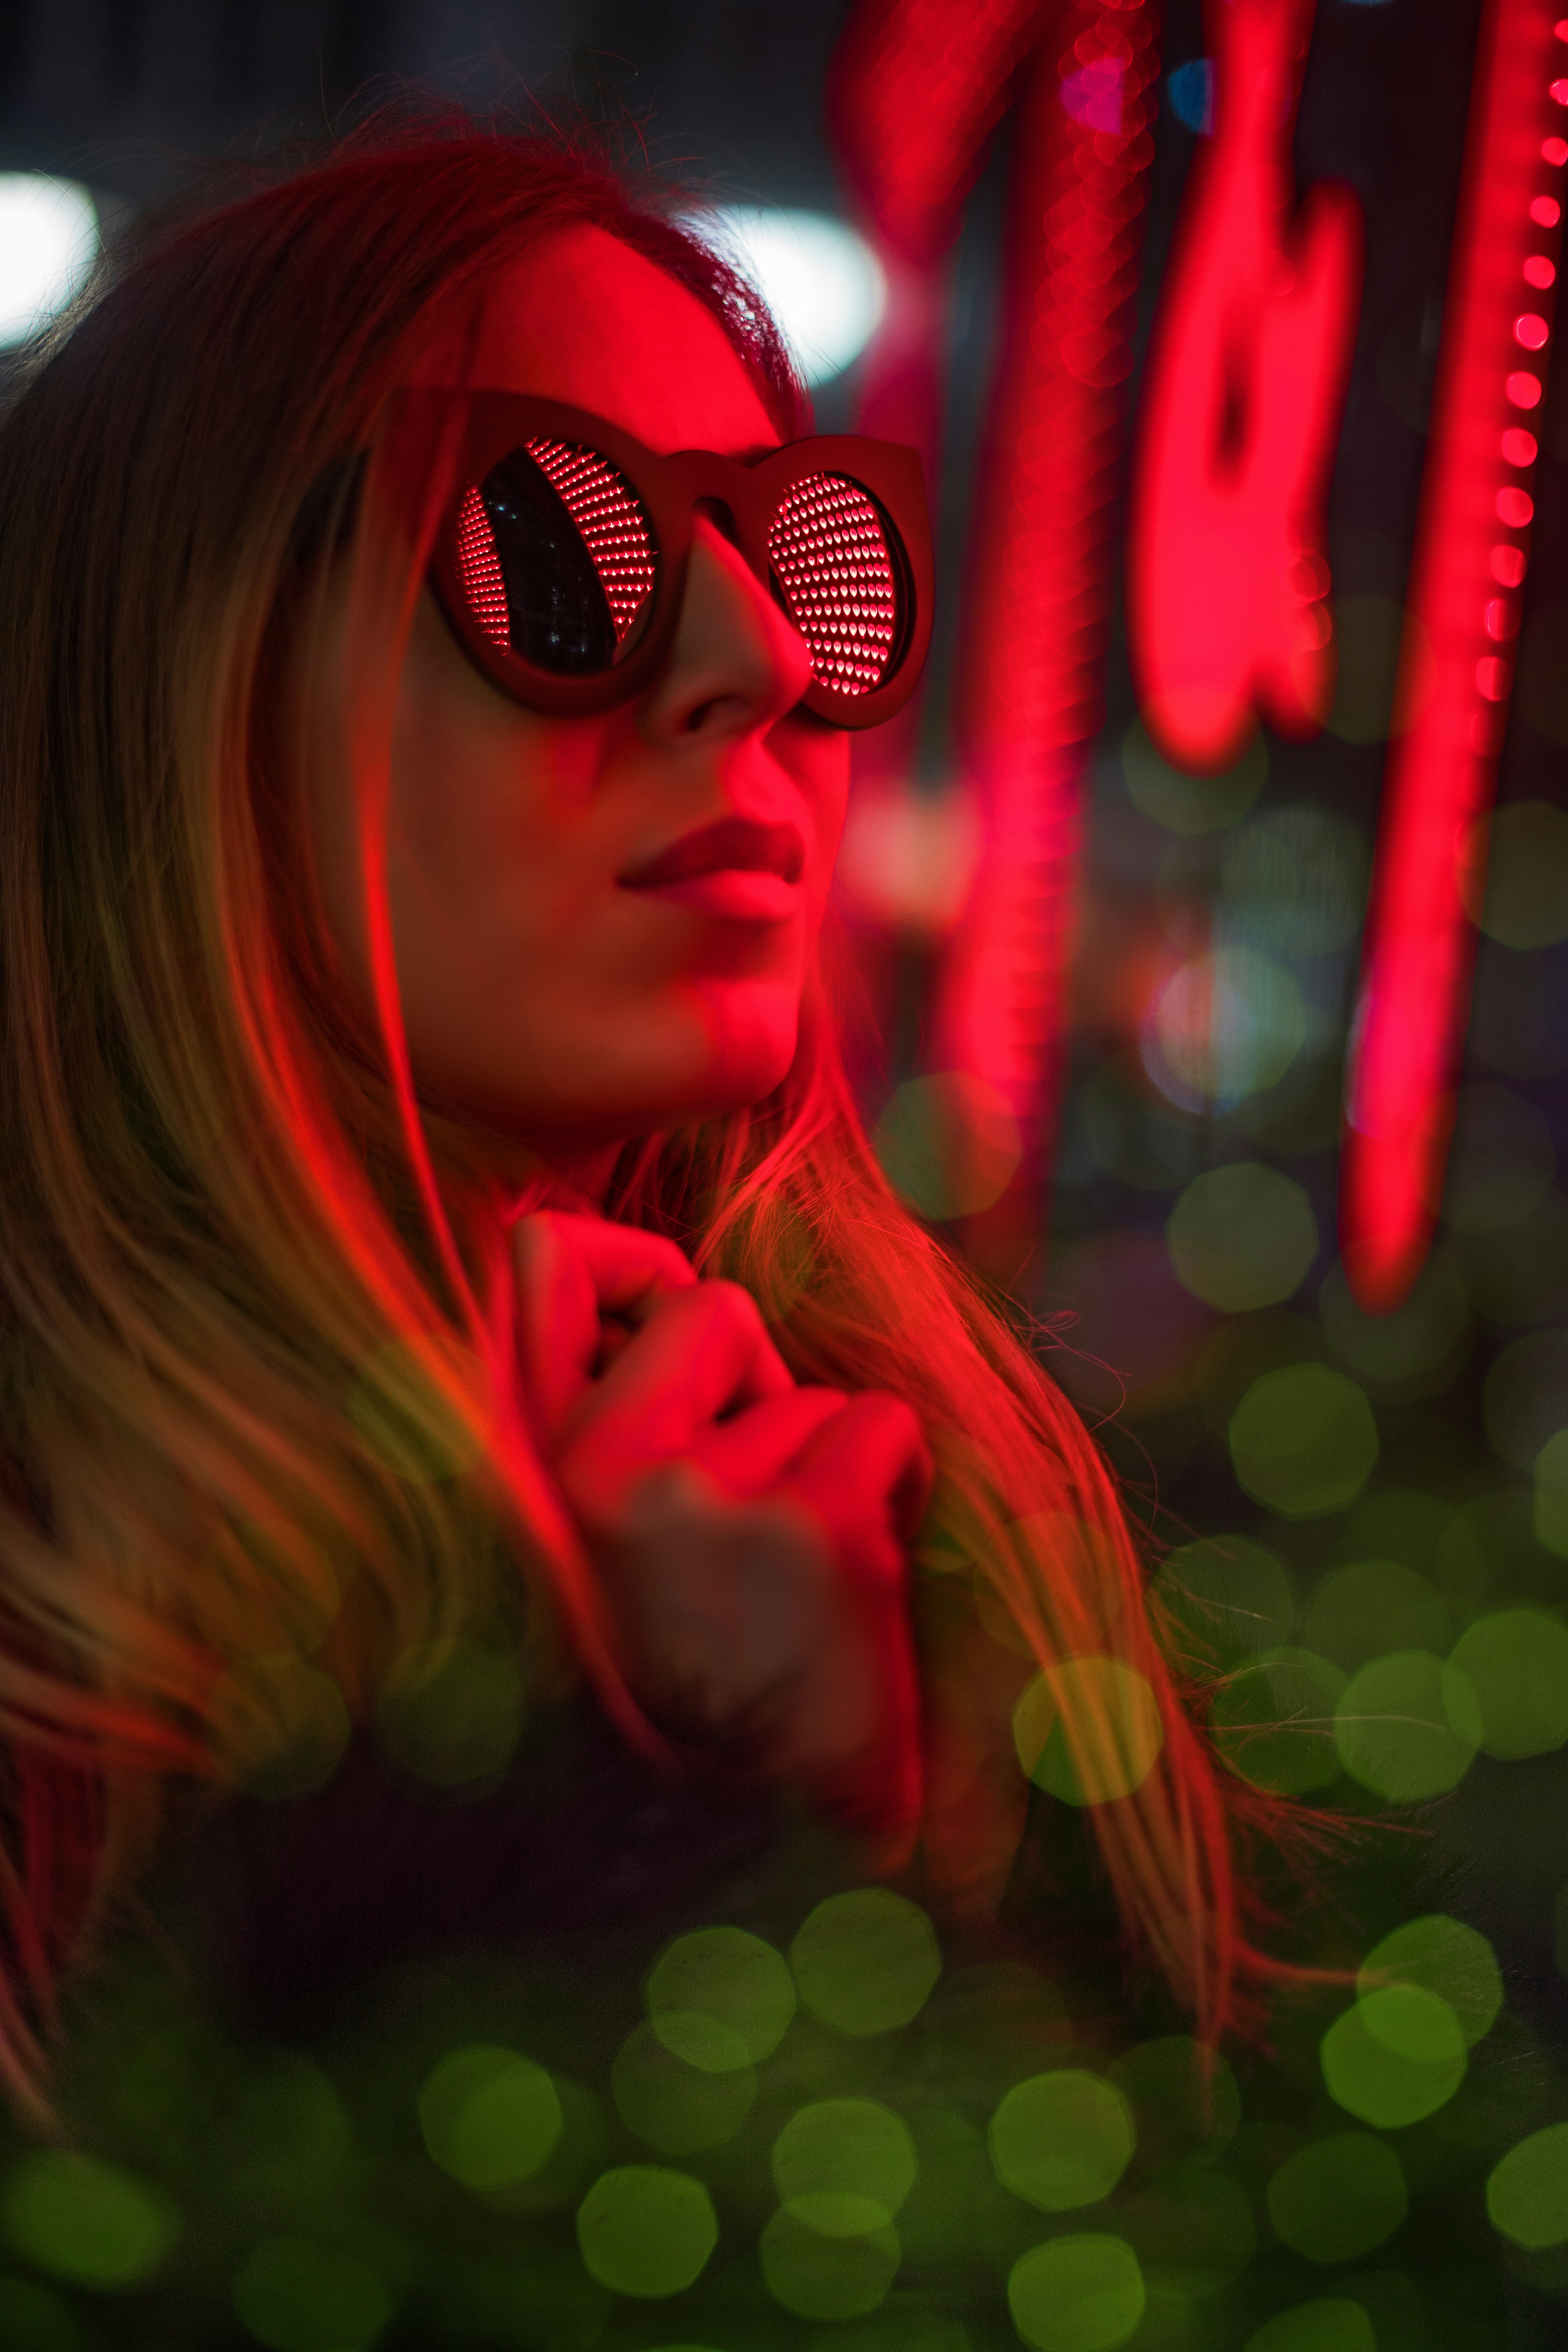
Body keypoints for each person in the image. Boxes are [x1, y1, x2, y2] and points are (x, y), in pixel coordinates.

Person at [0, 113, 1280, 2129]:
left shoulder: (988, 1566)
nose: (760, 661)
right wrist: (746, 1844)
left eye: (804, 557)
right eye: (554, 542)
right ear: (184, 668)